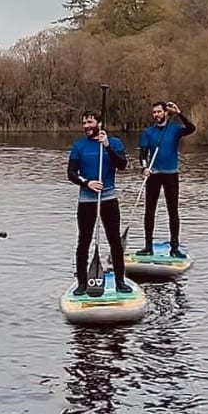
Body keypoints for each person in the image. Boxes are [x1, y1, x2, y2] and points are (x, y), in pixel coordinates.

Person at [68, 109, 130, 294]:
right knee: (84, 241)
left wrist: (108, 146)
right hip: (86, 199)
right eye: (84, 123)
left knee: (114, 241)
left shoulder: (115, 142)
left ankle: (120, 281)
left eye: (90, 123)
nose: (86, 126)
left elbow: (122, 165)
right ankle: (81, 282)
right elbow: (71, 174)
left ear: (99, 124)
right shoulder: (79, 146)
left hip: (108, 197)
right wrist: (87, 182)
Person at [136, 101, 196, 258]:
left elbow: (191, 129)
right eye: (154, 112)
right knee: (149, 211)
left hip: (171, 174)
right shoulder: (148, 132)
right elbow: (142, 153)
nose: (156, 115)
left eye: (159, 112)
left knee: (173, 211)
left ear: (165, 113)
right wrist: (144, 167)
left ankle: (174, 247)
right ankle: (148, 246)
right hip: (154, 174)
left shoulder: (175, 130)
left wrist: (179, 113)